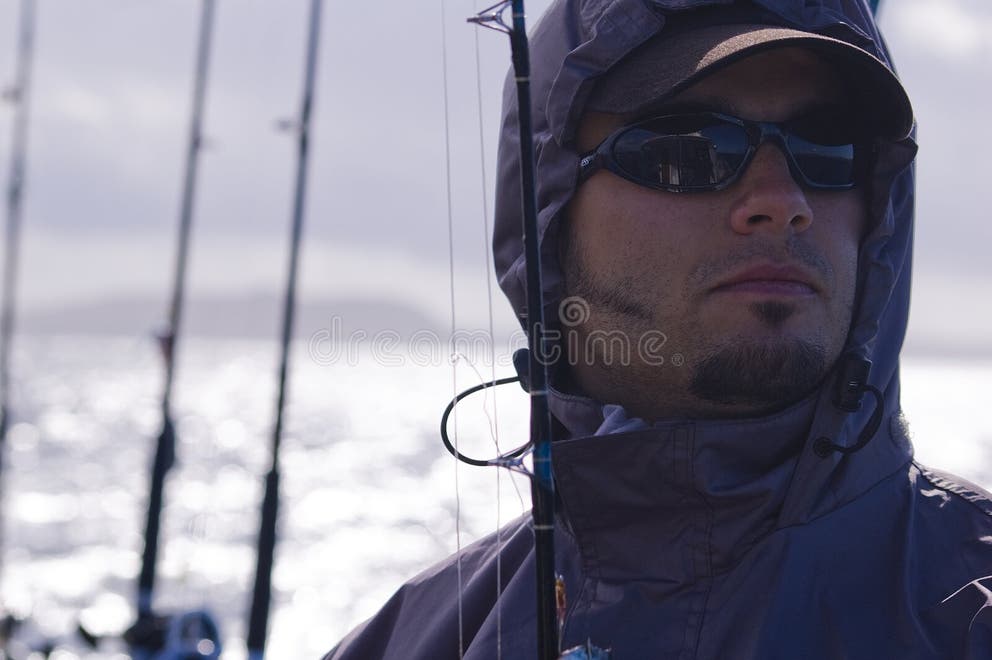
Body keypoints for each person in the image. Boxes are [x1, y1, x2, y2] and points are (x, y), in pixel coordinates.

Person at [326, 0, 992, 658]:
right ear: (550, 210)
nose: (782, 203)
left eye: (828, 148)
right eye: (689, 148)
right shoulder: (408, 640)